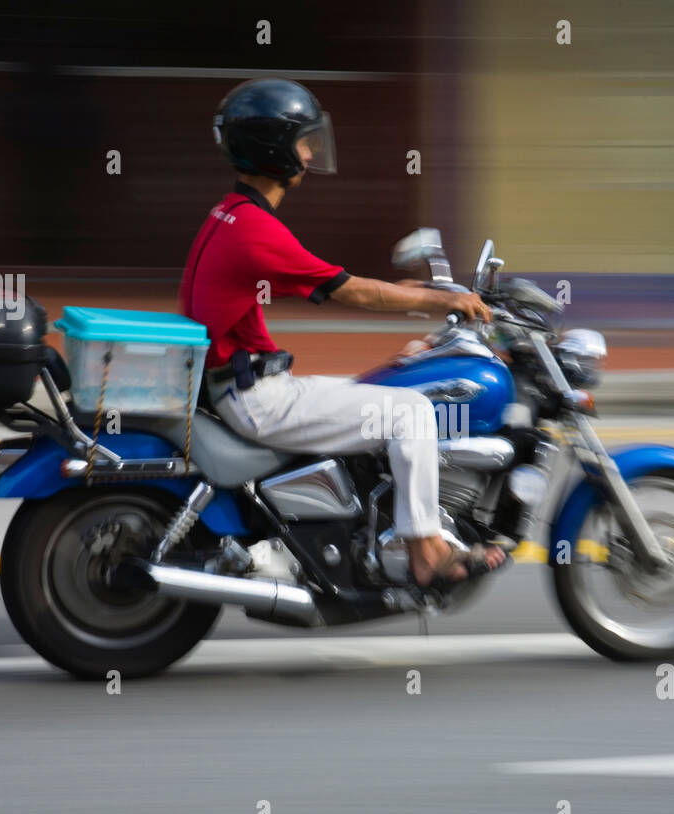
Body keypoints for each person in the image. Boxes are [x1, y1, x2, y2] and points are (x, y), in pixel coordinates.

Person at [180, 78, 506, 588]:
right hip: (256, 399)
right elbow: (354, 292)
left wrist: (422, 296)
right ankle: (426, 550)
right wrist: (442, 301)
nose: (310, 153)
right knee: (412, 411)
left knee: (374, 392)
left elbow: (342, 281)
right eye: (302, 141)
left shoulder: (232, 214)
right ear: (275, 149)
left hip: (243, 385)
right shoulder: (256, 232)